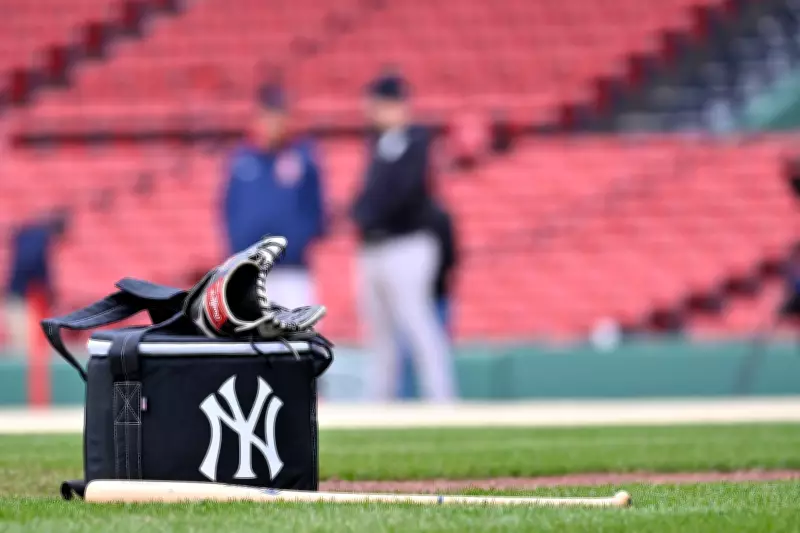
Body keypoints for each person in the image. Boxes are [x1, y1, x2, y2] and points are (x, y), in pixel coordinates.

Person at [350, 72, 457, 403]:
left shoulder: (415, 140)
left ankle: (442, 400)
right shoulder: (377, 143)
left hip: (407, 244)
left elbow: (403, 193)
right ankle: (381, 402)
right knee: (379, 333)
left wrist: (366, 214)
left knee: (417, 323)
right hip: (374, 248)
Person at [221, 84, 326, 308]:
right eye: (268, 116)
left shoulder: (303, 157)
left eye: (279, 116)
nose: (273, 123)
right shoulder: (242, 160)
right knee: (250, 336)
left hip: (291, 268)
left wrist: (297, 243)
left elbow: (316, 208)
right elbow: (229, 208)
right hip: (250, 270)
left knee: (298, 333)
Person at [396, 203, 458, 398]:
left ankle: (437, 398)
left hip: (434, 298)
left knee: (426, 350)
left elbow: (450, 258)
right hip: (424, 297)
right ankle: (407, 400)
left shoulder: (437, 218)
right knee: (409, 355)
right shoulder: (407, 221)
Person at [4, 209, 68, 357]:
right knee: (22, 346)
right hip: (19, 295)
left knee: (24, 344)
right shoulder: (40, 239)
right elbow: (31, 263)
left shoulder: (31, 235)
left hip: (19, 295)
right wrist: (48, 288)